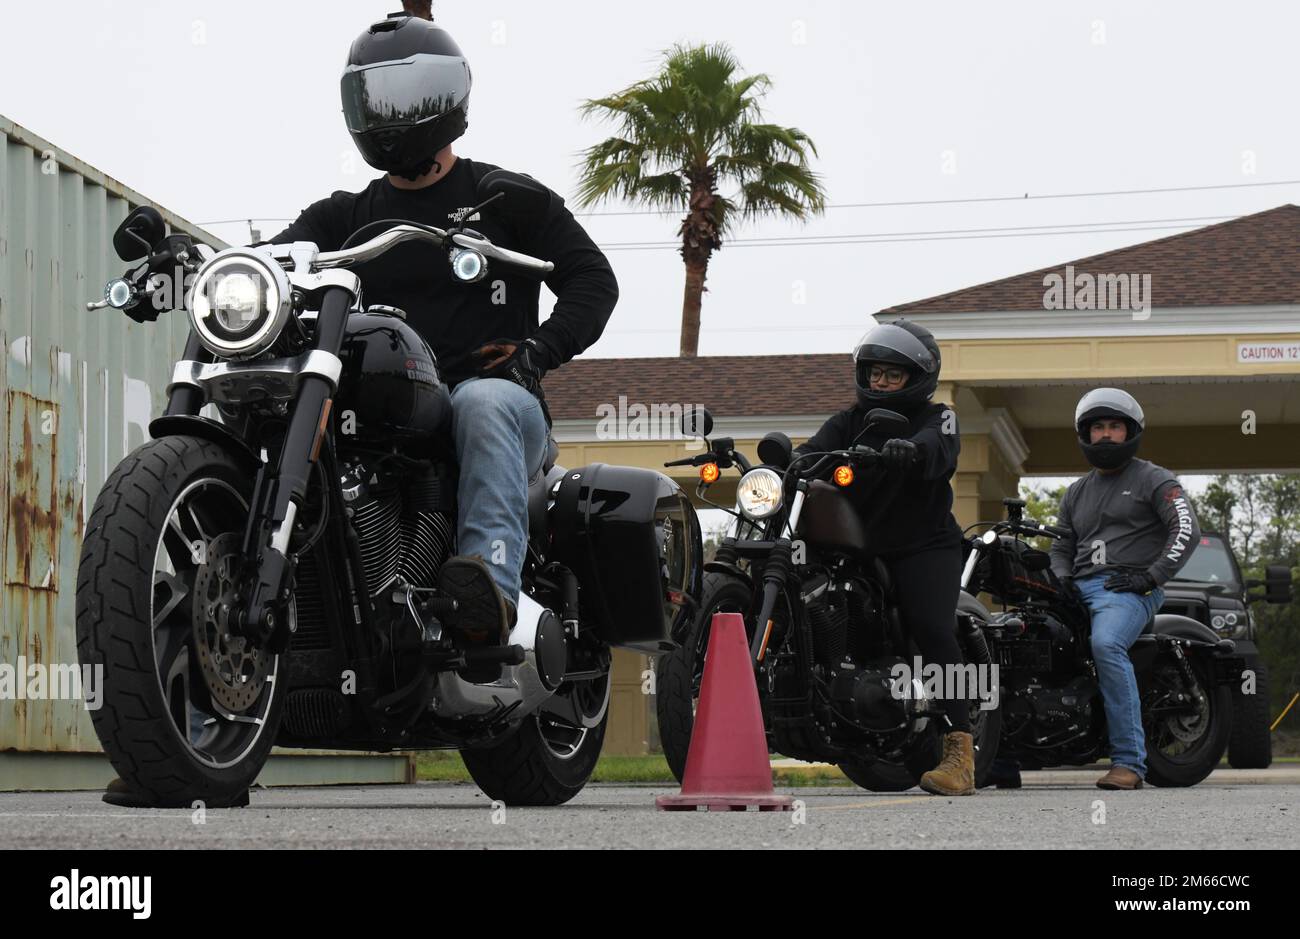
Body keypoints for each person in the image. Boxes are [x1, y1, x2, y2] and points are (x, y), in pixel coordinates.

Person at [268, 10, 618, 649]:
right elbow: (272, 262)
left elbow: (594, 281)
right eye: (372, 96)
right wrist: (193, 261)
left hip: (500, 406)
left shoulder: (507, 197)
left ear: (444, 96)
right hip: (387, 418)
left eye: (402, 95)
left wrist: (535, 354)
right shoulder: (343, 217)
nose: (387, 113)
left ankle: (490, 592)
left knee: (477, 400)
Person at [794, 319, 977, 796]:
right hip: (857, 550)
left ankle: (960, 751)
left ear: (916, 378)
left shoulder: (939, 417)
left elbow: (939, 448)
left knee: (933, 628)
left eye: (891, 375)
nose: (879, 382)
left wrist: (910, 451)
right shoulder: (847, 422)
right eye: (874, 373)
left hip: (924, 546)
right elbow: (810, 453)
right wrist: (783, 464)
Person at [1049, 388, 1200, 790]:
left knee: (1106, 645)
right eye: (1097, 427)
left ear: (1130, 432)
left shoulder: (1155, 479)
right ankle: (1003, 758)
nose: (1105, 435)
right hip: (1078, 589)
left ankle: (1130, 762)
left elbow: (1186, 529)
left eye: (1114, 426)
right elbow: (1062, 542)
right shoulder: (1076, 491)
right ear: (1086, 434)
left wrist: (1151, 577)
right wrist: (1060, 577)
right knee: (1022, 640)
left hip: (1128, 589)